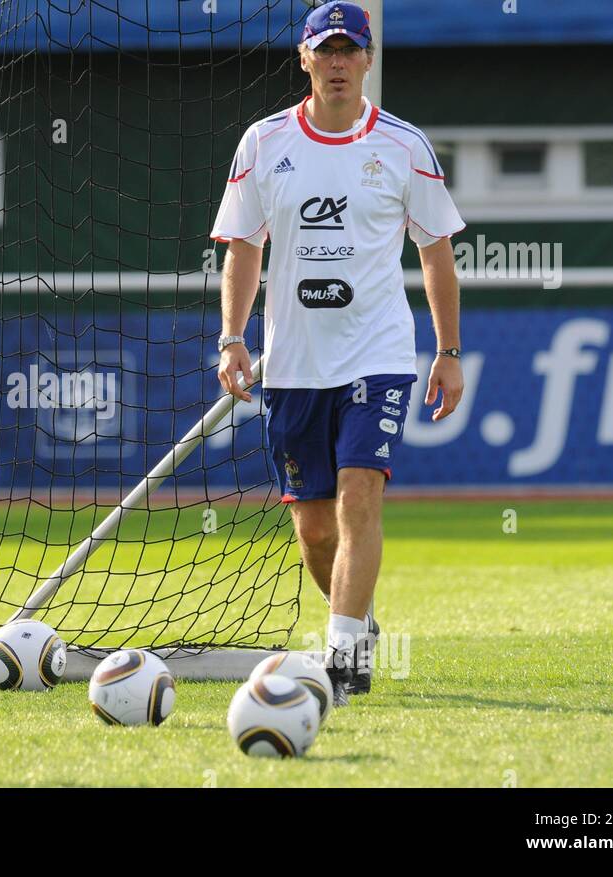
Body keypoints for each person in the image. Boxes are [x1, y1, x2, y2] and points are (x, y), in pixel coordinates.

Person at [210, 1, 465, 706]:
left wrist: (448, 350)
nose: (339, 62)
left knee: (359, 499)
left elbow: (437, 254)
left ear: (369, 59)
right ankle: (356, 621)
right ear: (304, 59)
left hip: (378, 356)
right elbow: (243, 247)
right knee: (315, 530)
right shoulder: (262, 144)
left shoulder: (404, 146)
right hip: (292, 363)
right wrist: (233, 336)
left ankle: (344, 655)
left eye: (351, 50)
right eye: (326, 50)